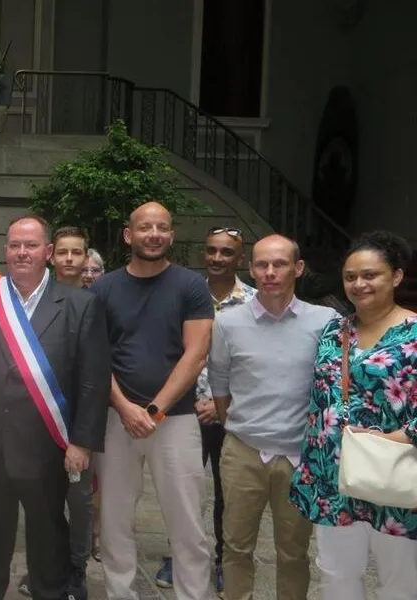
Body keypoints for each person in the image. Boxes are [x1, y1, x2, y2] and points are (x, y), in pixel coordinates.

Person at [0, 214, 111, 600]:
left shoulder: (80, 304)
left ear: (48, 253)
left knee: (49, 544)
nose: (22, 252)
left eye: (31, 245)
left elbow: (92, 381)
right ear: (5, 251)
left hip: (48, 449)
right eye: (16, 245)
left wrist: (82, 443)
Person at [93, 202, 214, 600]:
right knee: (113, 521)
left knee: (187, 525)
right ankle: (119, 593)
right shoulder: (104, 288)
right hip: (115, 420)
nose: (154, 234)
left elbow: (195, 354)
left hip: (175, 420)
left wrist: (153, 410)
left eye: (162, 227)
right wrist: (125, 407)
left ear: (172, 235)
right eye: (145, 227)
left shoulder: (191, 286)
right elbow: (96, 355)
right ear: (129, 235)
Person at [290, 230, 417, 600]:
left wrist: (404, 436)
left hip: (394, 472)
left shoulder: (413, 334)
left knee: (400, 581)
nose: (359, 284)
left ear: (395, 276)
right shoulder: (335, 331)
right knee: (336, 575)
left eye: (370, 275)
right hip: (334, 477)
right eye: (350, 277)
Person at [208, 234, 336, 600]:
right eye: (262, 264)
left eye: (279, 264)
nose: (270, 272)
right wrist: (236, 424)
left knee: (293, 552)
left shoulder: (325, 321)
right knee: (235, 547)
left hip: (299, 456)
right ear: (251, 269)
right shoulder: (228, 323)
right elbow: (219, 380)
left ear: (297, 268)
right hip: (243, 453)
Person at [155, 226, 256, 593]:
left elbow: (255, 365)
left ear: (240, 259)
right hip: (184, 410)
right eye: (211, 250)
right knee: (180, 490)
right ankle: (177, 556)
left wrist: (221, 403)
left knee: (227, 493)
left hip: (231, 414)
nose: (217, 258)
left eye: (226, 252)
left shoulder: (254, 302)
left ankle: (221, 560)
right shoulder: (185, 293)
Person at [17, 224, 96, 600]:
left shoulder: (92, 301)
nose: (68, 259)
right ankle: (43, 569)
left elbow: (94, 374)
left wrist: (83, 435)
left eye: (76, 252)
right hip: (35, 426)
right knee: (39, 507)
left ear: (86, 257)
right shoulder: (27, 301)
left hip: (77, 425)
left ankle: (76, 570)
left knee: (79, 505)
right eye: (61, 252)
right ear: (50, 254)